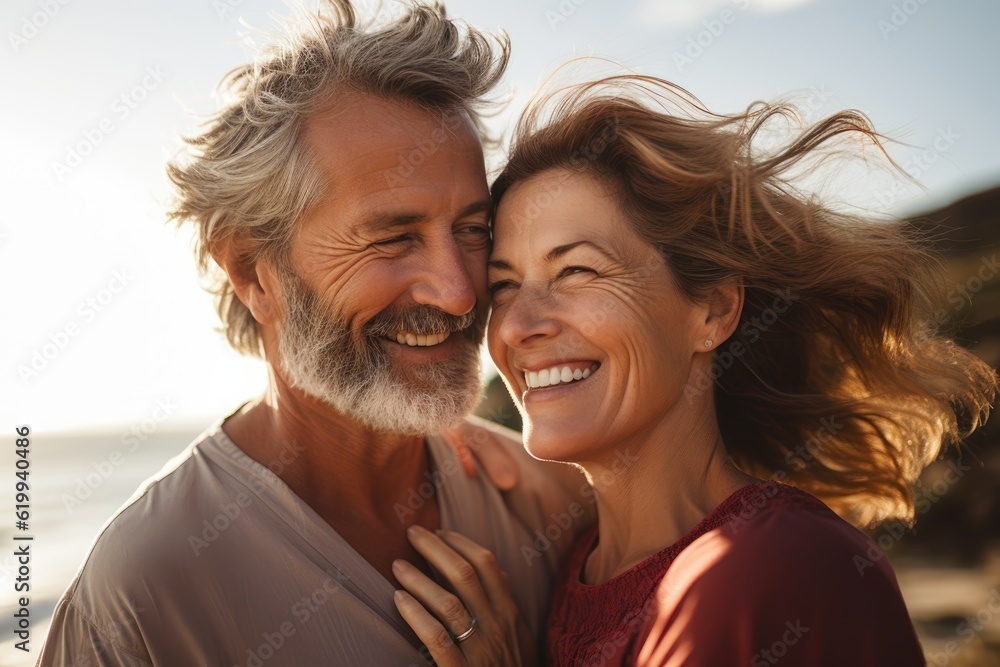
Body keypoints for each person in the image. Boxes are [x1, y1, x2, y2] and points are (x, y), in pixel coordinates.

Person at [35, 2, 589, 665]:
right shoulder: (142, 597)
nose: (460, 291)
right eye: (392, 237)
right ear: (252, 272)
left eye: (472, 229)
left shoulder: (556, 498)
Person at [392, 75, 998, 665]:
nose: (521, 325)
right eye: (504, 285)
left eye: (576, 271)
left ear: (712, 309)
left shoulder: (765, 567)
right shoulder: (571, 563)